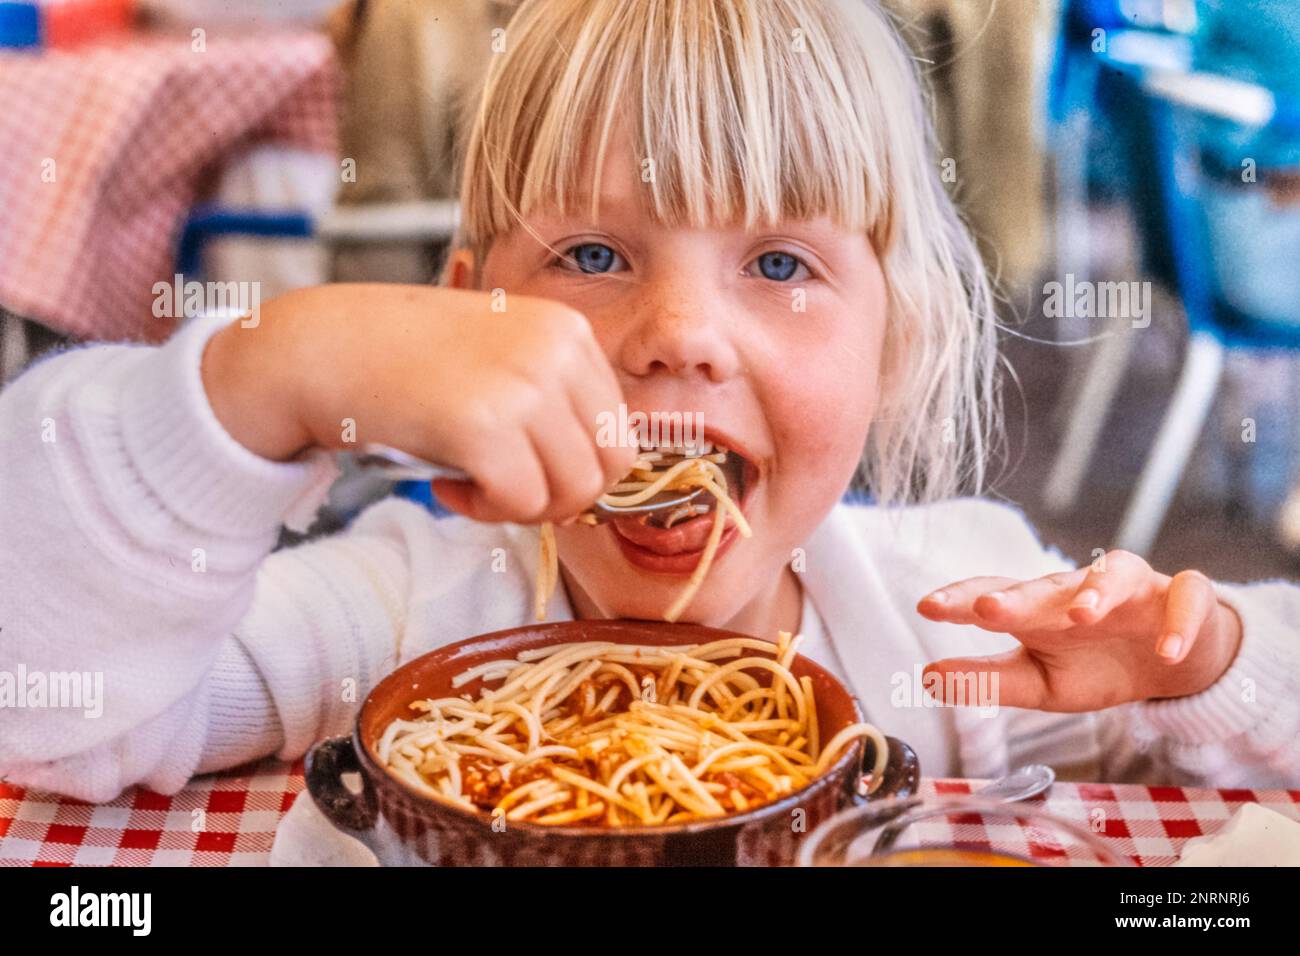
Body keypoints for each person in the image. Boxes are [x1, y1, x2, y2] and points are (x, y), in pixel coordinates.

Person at [2, 0, 1296, 803]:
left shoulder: (955, 627)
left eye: (780, 265)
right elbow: (44, 709)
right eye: (595, 255)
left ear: (889, 345)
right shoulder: (395, 613)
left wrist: (1209, 663)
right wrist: (259, 382)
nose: (678, 334)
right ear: (463, 310)